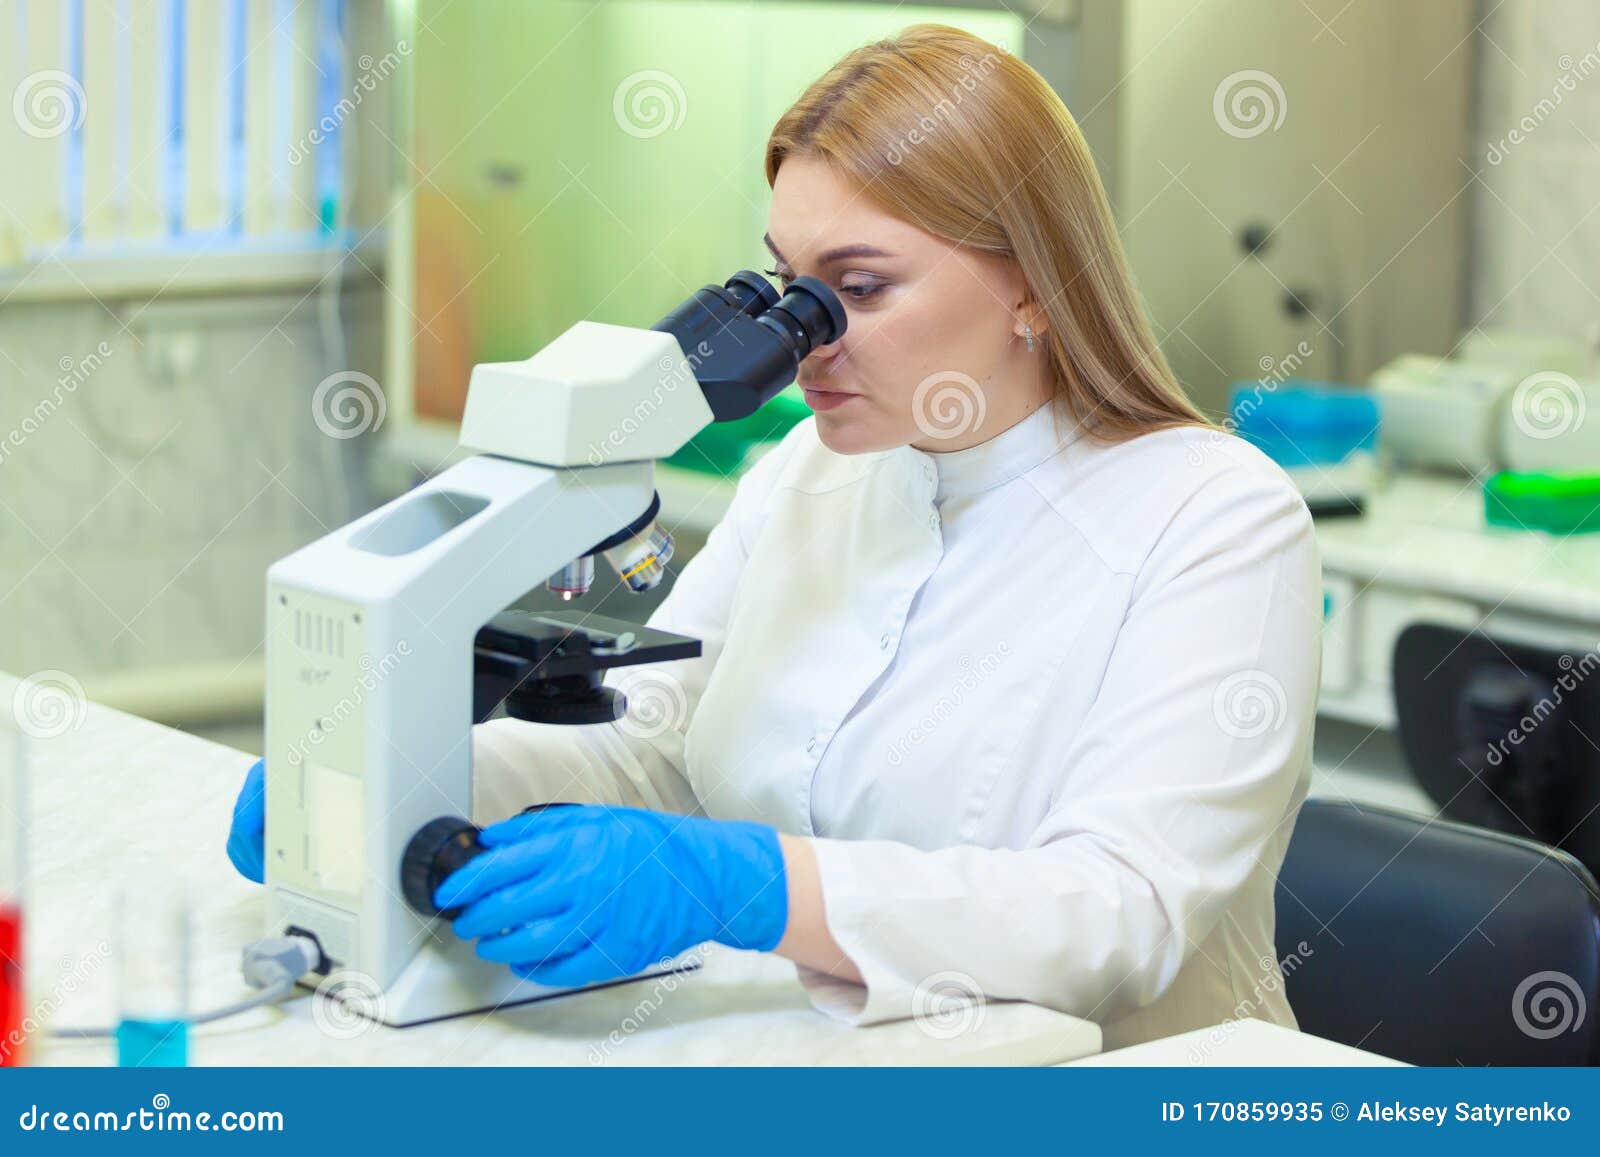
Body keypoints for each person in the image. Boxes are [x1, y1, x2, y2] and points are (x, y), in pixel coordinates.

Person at [228, 23, 1320, 1050]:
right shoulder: (805, 471)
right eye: (789, 287)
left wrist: (750, 887)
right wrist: (408, 775)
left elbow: (1118, 914)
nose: (806, 342)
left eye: (859, 288)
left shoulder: (1214, 518)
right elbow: (654, 749)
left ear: (1034, 285)